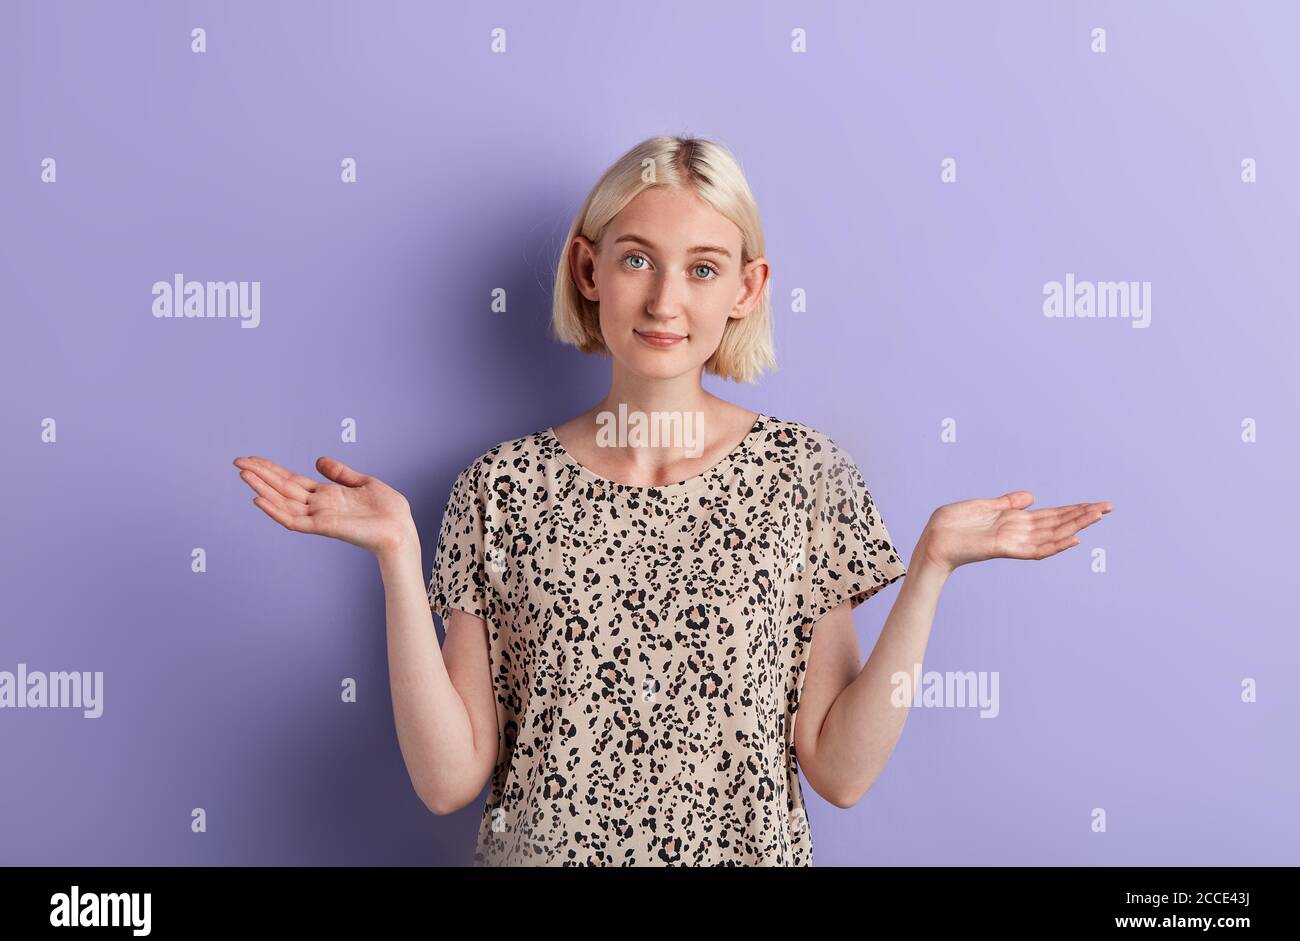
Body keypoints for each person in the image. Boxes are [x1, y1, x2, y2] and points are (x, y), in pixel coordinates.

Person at [232, 135, 1112, 866]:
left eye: (702, 268)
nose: (663, 299)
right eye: (637, 259)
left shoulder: (805, 478)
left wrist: (930, 572)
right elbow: (448, 779)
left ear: (746, 289)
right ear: (589, 269)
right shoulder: (498, 488)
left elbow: (840, 772)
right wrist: (396, 556)